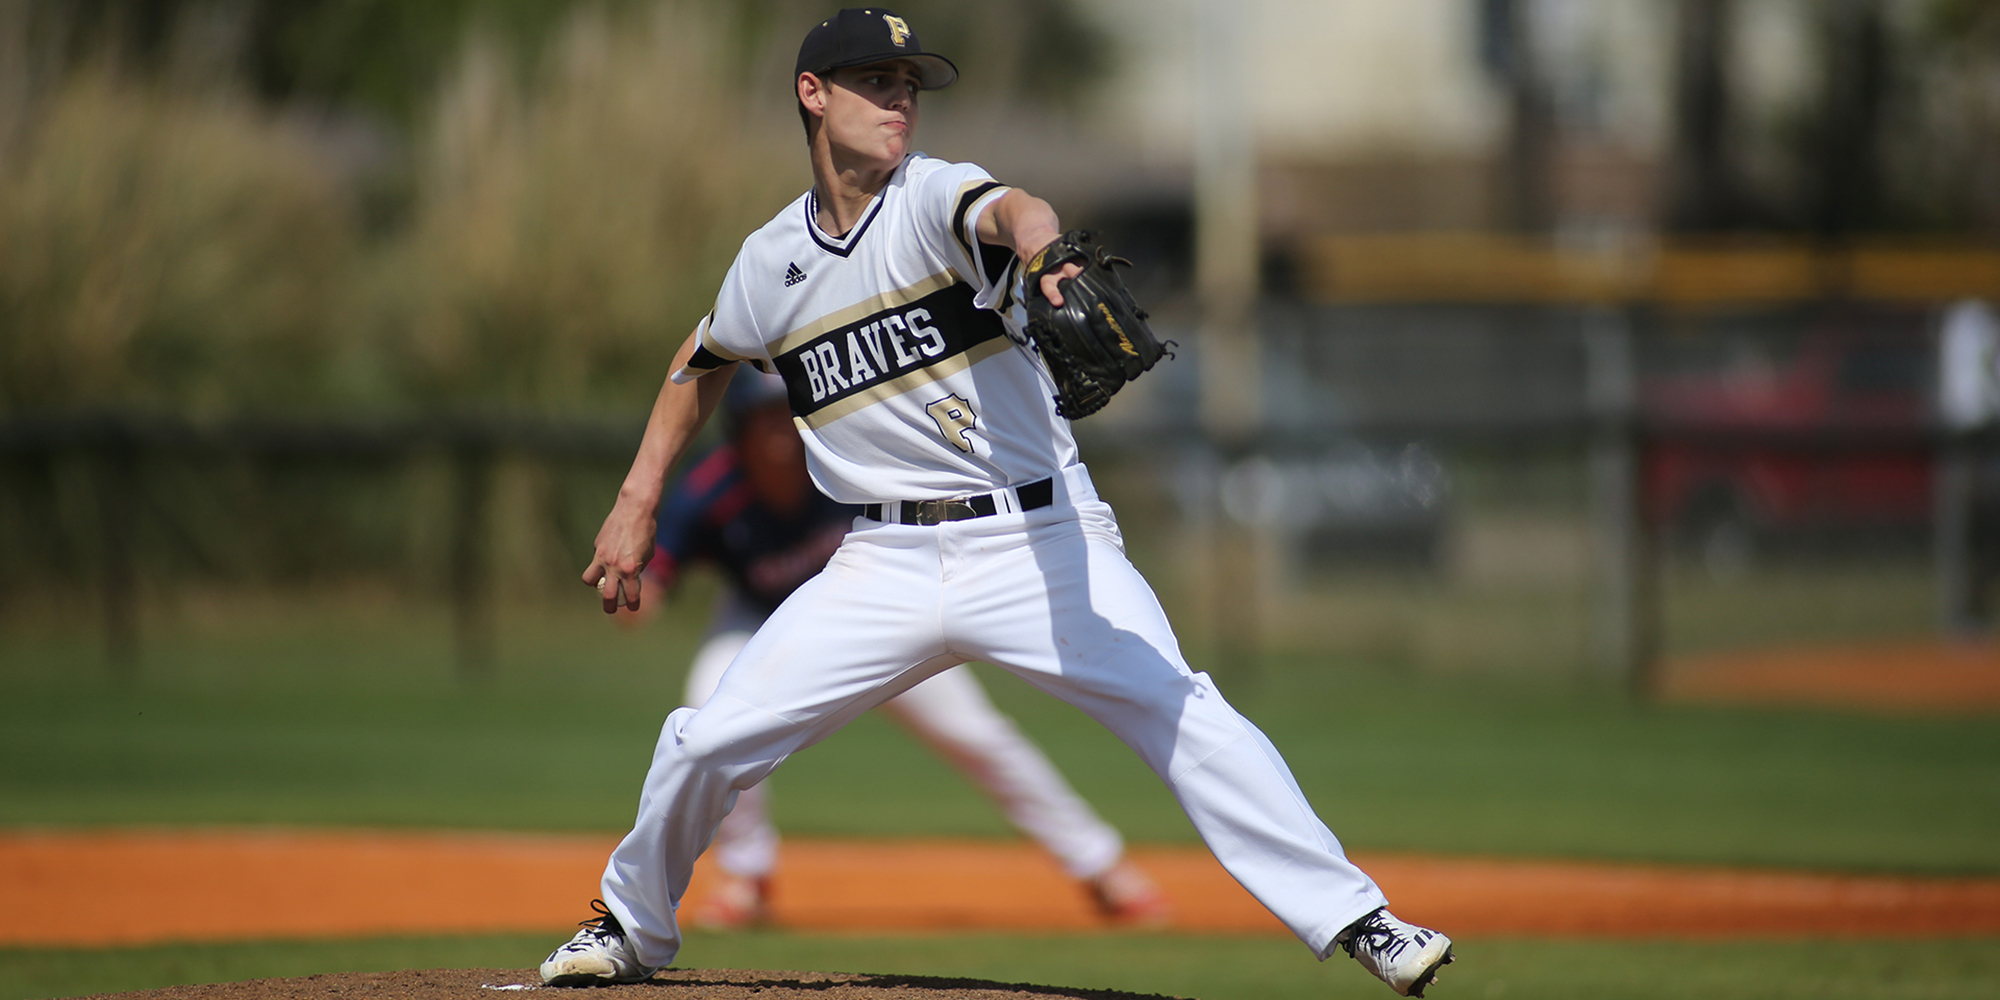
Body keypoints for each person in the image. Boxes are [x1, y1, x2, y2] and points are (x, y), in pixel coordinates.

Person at [543, 9, 1455, 997]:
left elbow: (1010, 207)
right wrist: (637, 499)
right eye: (874, 80)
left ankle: (1362, 921)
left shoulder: (930, 197)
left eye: (910, 83)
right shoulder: (771, 263)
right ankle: (630, 927)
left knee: (1176, 705)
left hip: (1038, 536)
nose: (900, 98)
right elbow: (704, 356)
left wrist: (1048, 252)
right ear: (812, 93)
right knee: (708, 736)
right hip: (879, 562)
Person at [644, 366, 1169, 928]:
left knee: (975, 732)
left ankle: (1101, 865)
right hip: (756, 620)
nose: (776, 433)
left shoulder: (841, 471)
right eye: (762, 421)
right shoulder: (713, 490)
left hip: (882, 610)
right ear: (738, 429)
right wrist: (636, 591)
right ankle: (747, 877)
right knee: (713, 709)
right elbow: (655, 576)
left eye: (784, 419)